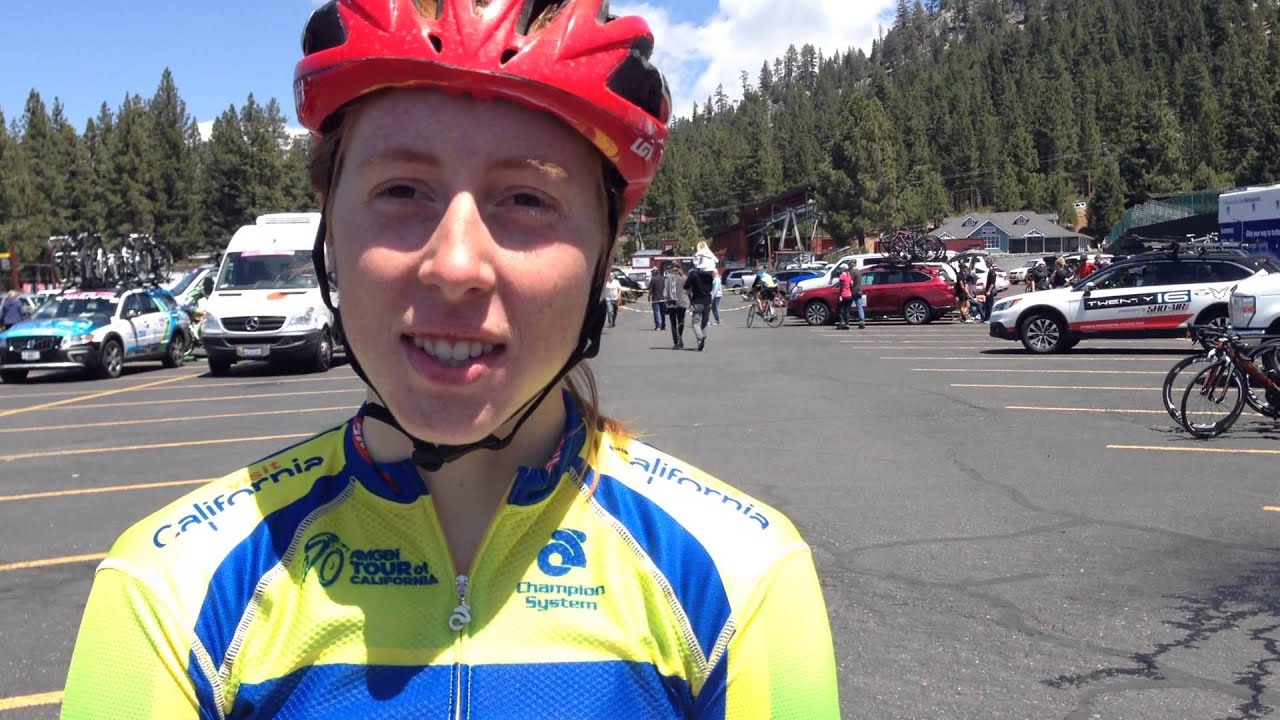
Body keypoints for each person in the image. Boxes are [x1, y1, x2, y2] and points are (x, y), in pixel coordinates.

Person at [60, 2, 840, 718]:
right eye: (402, 189)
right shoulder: (173, 588)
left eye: (527, 199)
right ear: (328, 228)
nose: (455, 264)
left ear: (605, 251)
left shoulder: (738, 580)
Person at [684, 262, 714, 351]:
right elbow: (711, 288)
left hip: (697, 300)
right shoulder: (709, 275)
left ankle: (700, 337)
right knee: (704, 321)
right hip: (708, 301)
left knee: (695, 322)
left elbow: (686, 286)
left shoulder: (693, 274)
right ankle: (702, 340)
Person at [665, 264, 690, 349]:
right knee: (681, 320)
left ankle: (676, 342)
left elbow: (665, 291)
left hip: (671, 302)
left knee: (673, 323)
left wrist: (666, 300)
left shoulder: (668, 277)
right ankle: (680, 337)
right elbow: (688, 290)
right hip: (682, 301)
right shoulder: (684, 277)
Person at [833, 263, 853, 330]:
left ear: (843, 269)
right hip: (849, 294)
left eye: (841, 268)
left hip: (844, 294)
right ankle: (847, 323)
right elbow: (851, 285)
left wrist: (840, 295)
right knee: (847, 310)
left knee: (839, 310)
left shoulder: (842, 276)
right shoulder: (849, 275)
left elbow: (841, 287)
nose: (840, 270)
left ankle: (841, 323)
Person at [648, 265, 666, 331]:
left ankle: (658, 325)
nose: (651, 273)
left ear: (654, 272)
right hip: (662, 297)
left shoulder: (653, 279)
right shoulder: (662, 278)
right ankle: (663, 325)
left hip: (655, 298)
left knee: (656, 312)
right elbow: (665, 288)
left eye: (652, 272)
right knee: (662, 312)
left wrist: (649, 296)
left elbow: (650, 289)